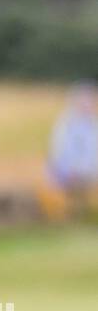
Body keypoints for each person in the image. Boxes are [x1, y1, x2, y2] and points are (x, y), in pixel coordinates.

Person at [47, 84, 98, 214]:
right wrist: (71, 168)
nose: (88, 105)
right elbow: (60, 149)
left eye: (91, 101)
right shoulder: (67, 123)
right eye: (84, 101)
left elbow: (92, 151)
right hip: (68, 171)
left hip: (89, 172)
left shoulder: (92, 123)